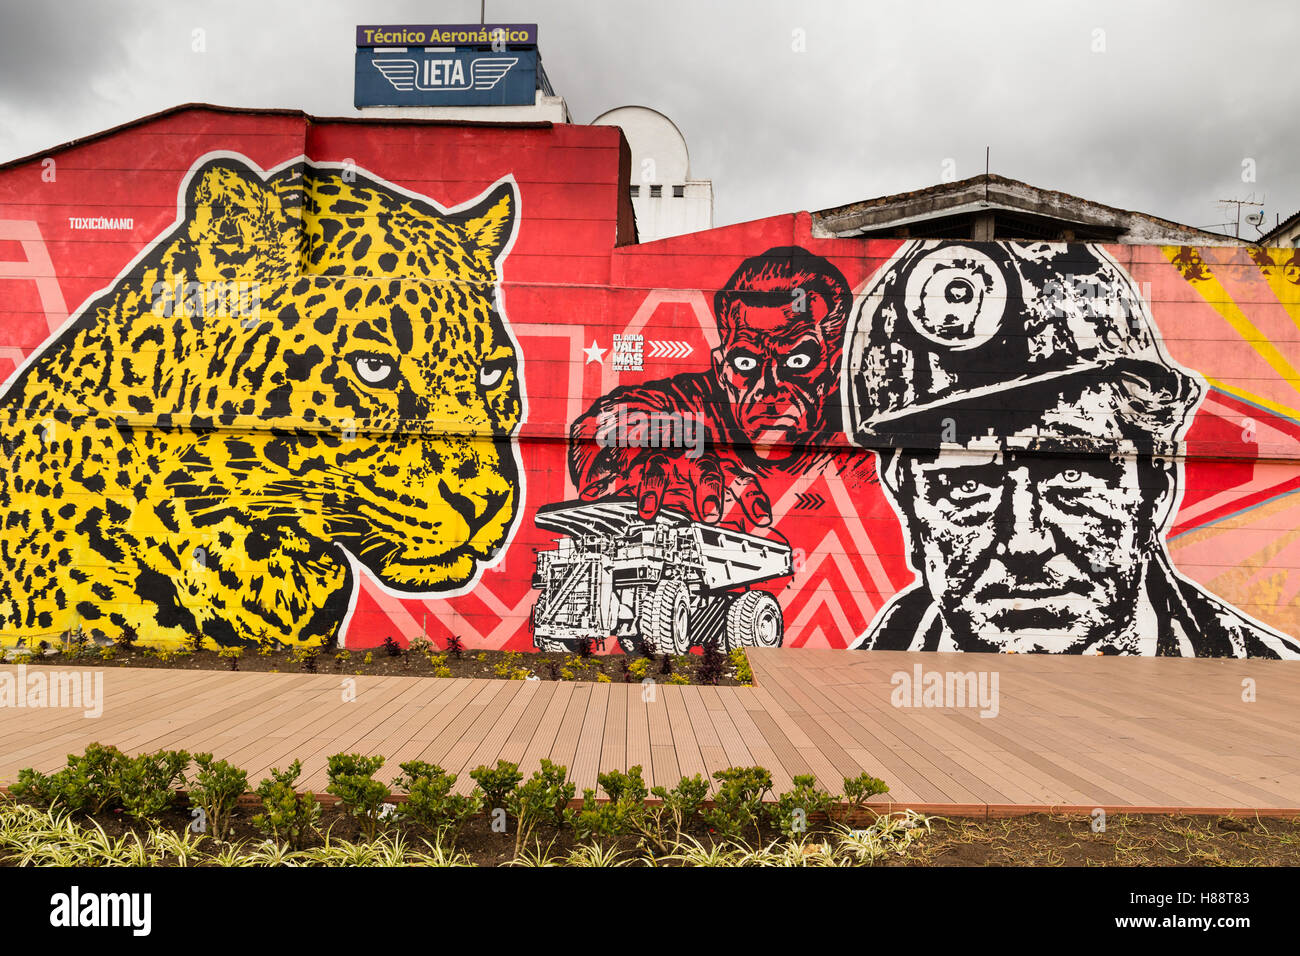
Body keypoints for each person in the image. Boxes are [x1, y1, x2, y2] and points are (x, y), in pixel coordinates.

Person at [844, 240, 1300, 658]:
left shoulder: (1262, 668)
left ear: (1155, 489)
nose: (1025, 543)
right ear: (907, 504)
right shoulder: (859, 699)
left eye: (1072, 474)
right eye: (966, 484)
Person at [568, 246, 873, 528]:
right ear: (721, 367)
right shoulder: (696, 401)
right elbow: (603, 422)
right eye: (746, 364)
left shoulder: (866, 434)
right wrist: (662, 447)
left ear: (834, 369)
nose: (769, 388)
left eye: (798, 361)